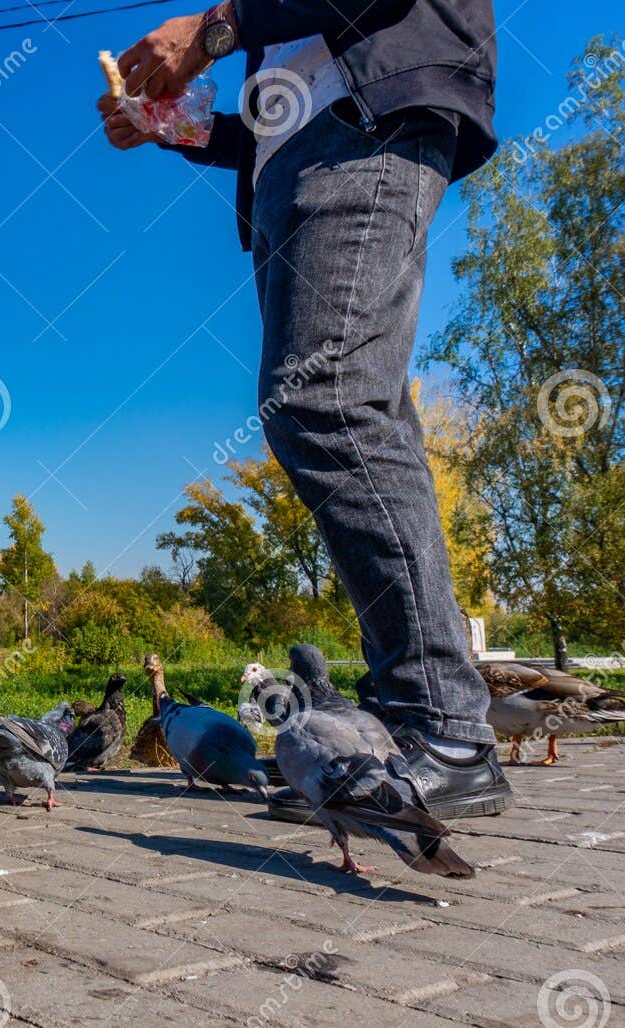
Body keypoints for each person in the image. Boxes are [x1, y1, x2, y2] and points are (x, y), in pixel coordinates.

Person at [101, 1, 511, 820]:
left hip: (370, 127)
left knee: (323, 401)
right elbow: (265, 124)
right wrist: (174, 128)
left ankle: (445, 729)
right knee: (359, 410)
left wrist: (215, 30)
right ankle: (412, 723)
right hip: (303, 160)